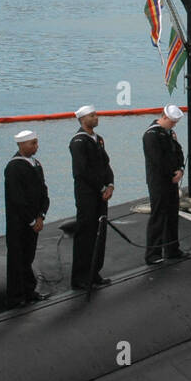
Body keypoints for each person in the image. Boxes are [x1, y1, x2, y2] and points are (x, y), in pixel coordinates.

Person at [4, 129, 49, 308]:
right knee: (17, 259)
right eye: (33, 143)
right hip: (19, 224)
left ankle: (29, 291)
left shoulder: (36, 164)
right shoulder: (14, 167)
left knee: (28, 257)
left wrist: (41, 215)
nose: (36, 146)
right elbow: (17, 199)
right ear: (21, 145)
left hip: (34, 220)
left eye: (36, 142)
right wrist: (32, 220)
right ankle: (16, 296)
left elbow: (43, 192)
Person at [70, 106, 114, 288]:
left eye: (96, 115)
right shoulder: (78, 141)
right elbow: (82, 171)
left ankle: (94, 272)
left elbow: (106, 164)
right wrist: (102, 187)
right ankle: (80, 277)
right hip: (87, 195)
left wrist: (110, 184)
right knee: (86, 235)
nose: (96, 118)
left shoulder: (98, 140)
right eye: (92, 116)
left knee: (99, 233)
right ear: (82, 119)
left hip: (101, 195)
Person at [143, 105, 187, 265]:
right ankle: (153, 253)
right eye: (173, 122)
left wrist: (180, 169)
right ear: (165, 117)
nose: (174, 125)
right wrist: (171, 174)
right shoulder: (151, 135)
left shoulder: (169, 133)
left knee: (172, 215)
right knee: (158, 216)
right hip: (159, 181)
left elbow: (178, 151)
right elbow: (157, 160)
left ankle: (172, 249)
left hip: (172, 179)